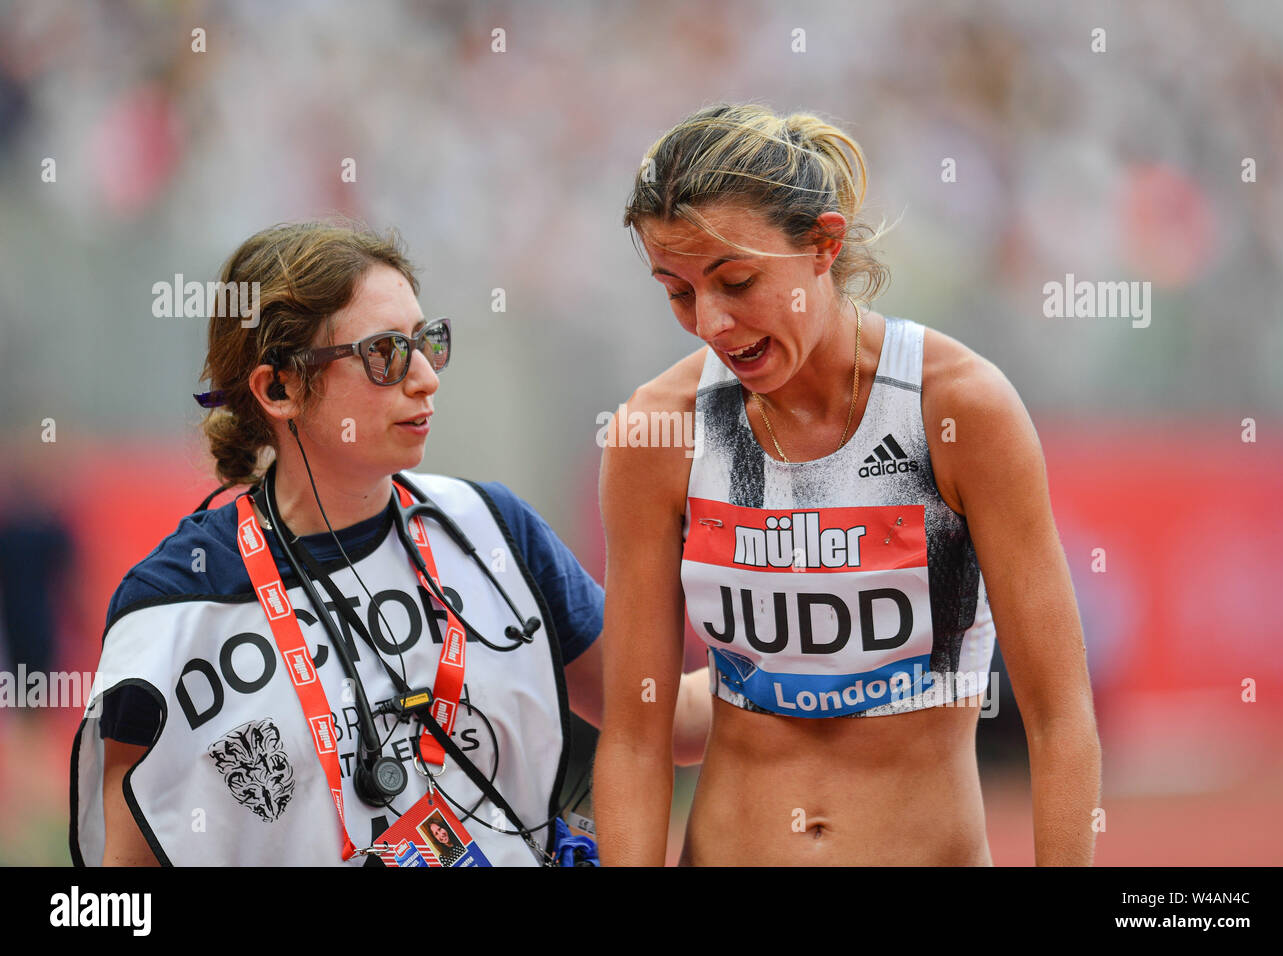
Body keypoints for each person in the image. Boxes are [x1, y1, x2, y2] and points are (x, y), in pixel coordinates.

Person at [71, 220, 709, 867]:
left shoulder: (493, 530)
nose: (427, 377)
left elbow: (670, 717)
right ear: (279, 388)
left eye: (428, 342)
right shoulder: (172, 609)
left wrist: (801, 664)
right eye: (385, 353)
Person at [593, 105, 1101, 865]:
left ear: (825, 245)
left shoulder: (957, 408)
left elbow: (1060, 718)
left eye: (737, 281)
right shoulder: (655, 433)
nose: (712, 323)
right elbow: (636, 739)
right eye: (678, 291)